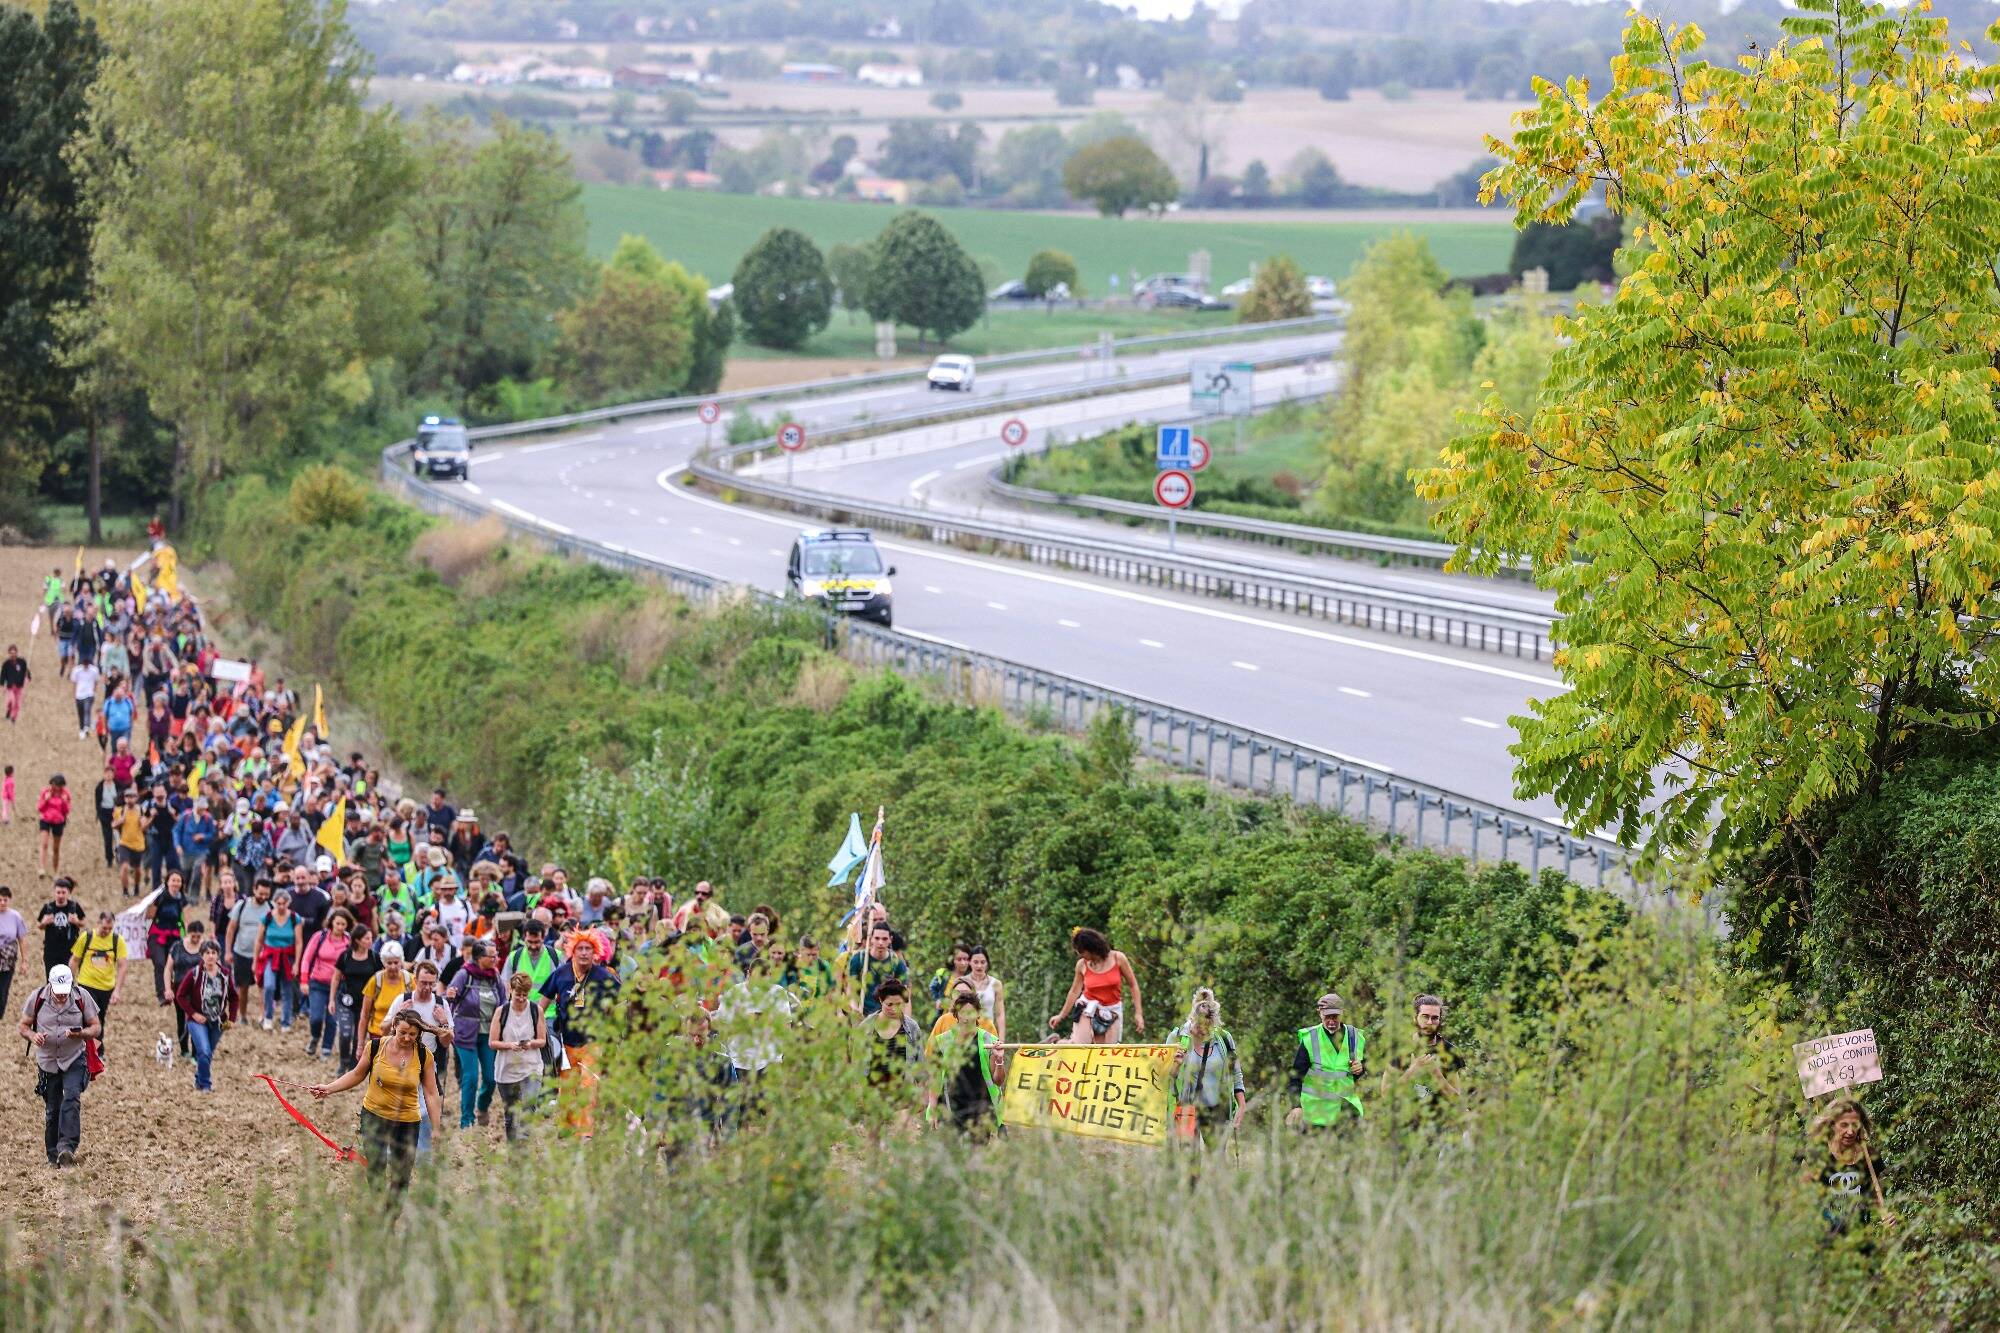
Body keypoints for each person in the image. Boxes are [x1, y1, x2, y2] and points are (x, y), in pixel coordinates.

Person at [308, 1008, 443, 1192]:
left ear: (418, 1034)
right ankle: (378, 1210)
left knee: (401, 1176)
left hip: (407, 1122)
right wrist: (329, 1088)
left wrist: (436, 1128)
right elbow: (357, 1074)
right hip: (374, 1117)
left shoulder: (423, 1055)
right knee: (376, 1166)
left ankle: (391, 1215)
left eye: (412, 1034)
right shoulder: (375, 1047)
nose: (406, 1038)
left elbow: (431, 1093)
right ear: (394, 1026)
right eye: (402, 1032)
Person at [538, 929, 619, 1137]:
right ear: (572, 951)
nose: (584, 953)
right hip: (567, 1041)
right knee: (567, 1086)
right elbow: (542, 1003)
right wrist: (538, 1028)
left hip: (593, 1041)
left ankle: (585, 1132)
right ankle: (566, 1129)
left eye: (588, 949)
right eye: (580, 948)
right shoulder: (561, 974)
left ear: (595, 953)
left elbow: (622, 1001)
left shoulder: (603, 976)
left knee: (588, 1086)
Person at [20, 964, 101, 1167]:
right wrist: (33, 1035)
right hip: (47, 1061)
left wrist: (80, 1033)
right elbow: (23, 1025)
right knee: (52, 1108)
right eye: (58, 993)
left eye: (65, 993)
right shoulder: (37, 997)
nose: (62, 997)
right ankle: (52, 1155)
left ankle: (67, 1148)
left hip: (74, 1057)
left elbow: (96, 1027)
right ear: (50, 985)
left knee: (72, 1097)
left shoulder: (82, 997)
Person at [384, 959, 452, 1159]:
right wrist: (397, 1014)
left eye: (431, 984)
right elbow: (383, 1028)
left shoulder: (440, 1004)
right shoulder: (403, 1000)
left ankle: (424, 1156)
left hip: (427, 1063)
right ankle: (392, 1151)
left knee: (424, 1109)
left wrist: (444, 1022)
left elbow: (448, 1041)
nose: (427, 988)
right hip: (399, 1063)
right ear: (415, 980)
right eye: (423, 982)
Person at [1168, 988, 1246, 1151]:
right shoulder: (1178, 1039)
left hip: (1218, 1110)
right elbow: (1164, 1079)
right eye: (1199, 1023)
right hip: (1187, 1108)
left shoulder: (1224, 1038)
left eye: (1208, 1024)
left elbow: (1236, 1073)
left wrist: (1241, 1106)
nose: (1203, 1029)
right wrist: (1176, 1065)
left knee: (1217, 1161)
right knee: (1189, 1162)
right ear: (1193, 1018)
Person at [1808, 1098, 1896, 1235]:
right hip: (1822, 1242)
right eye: (1844, 1125)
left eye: (1855, 1125)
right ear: (1832, 1124)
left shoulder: (1869, 1157)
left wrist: (1885, 1217)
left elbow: (1875, 1197)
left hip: (1858, 1241)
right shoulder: (1817, 1156)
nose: (1850, 1131)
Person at [926, 989, 1005, 1137]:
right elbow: (934, 1079)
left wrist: (999, 1060)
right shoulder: (943, 1041)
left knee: (977, 1155)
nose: (967, 1018)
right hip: (950, 1107)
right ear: (956, 1014)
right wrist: (933, 1111)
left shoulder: (990, 1041)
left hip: (981, 1108)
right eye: (963, 1013)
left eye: (971, 1013)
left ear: (978, 1014)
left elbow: (998, 1081)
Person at [444, 939, 504, 1128]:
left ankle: (482, 1106)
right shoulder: (464, 975)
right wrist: (449, 999)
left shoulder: (495, 977)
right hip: (465, 1033)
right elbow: (450, 998)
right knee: (470, 1077)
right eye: (491, 956)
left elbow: (502, 1004)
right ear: (479, 958)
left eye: (496, 955)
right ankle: (467, 1120)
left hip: (488, 1033)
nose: (495, 959)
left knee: (490, 1077)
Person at [1286, 993, 1367, 1130]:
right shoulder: (1310, 1039)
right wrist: (1296, 1106)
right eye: (1327, 1017)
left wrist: (1361, 1068)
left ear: (1343, 1014)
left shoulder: (1356, 1037)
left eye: (1335, 1017)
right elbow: (1295, 1077)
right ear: (1319, 1013)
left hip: (1345, 1110)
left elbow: (1361, 1069)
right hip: (1315, 1114)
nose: (1331, 1021)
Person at [1049, 928, 1143, 1044]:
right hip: (1087, 1008)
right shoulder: (1082, 965)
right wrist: (1061, 1015)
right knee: (1080, 1046)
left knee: (1105, 1052)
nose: (1080, 955)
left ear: (1091, 949)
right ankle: (1056, 1043)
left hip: (1112, 1011)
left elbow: (1133, 985)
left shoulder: (1118, 958)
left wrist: (1138, 1013)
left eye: (1082, 952)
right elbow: (1074, 991)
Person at [489, 971, 546, 1142]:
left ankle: (523, 1144)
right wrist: (509, 1046)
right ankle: (513, 1152)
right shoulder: (501, 1012)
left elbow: (542, 1040)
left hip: (531, 1066)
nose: (521, 998)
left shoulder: (536, 1010)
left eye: (525, 995)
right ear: (510, 991)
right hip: (507, 1068)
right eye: (517, 994)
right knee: (511, 1115)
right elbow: (492, 1042)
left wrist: (530, 1043)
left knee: (529, 1105)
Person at [173, 940, 236, 1092]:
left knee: (207, 1055)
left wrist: (232, 1019)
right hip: (197, 1021)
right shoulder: (194, 974)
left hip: (218, 1021)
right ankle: (206, 1085)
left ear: (218, 955)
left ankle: (199, 1080)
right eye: (207, 953)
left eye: (213, 953)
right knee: (204, 1051)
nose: (210, 956)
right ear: (201, 955)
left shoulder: (225, 975)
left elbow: (234, 997)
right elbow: (180, 995)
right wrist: (193, 1014)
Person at [1389, 994, 1463, 1121]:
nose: (1430, 1022)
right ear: (1415, 1018)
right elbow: (1386, 1095)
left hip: (1442, 1128)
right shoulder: (1399, 1049)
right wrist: (1412, 1070)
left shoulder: (1450, 1051)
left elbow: (1457, 1099)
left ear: (1440, 1021)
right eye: (1425, 1017)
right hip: (1405, 1129)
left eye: (1435, 1018)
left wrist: (1436, 1074)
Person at [297, 908, 351, 1060]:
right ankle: (315, 1037)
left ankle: (326, 1047)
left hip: (339, 986)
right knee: (316, 1017)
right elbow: (307, 958)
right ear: (331, 922)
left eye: (343, 924)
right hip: (318, 983)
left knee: (332, 1019)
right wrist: (303, 980)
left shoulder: (349, 942)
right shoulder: (319, 937)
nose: (340, 927)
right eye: (337, 923)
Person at [69, 910, 129, 1036]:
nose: (106, 931)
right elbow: (74, 960)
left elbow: (123, 966)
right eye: (104, 928)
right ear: (98, 923)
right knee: (88, 1018)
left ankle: (97, 1051)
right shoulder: (86, 937)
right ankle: (83, 1049)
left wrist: (117, 990)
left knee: (99, 1020)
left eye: (110, 928)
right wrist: (70, 982)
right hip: (86, 985)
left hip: (106, 987)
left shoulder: (117, 941)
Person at [334, 925, 382, 1073]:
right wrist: (331, 999)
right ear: (357, 940)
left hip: (366, 1003)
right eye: (367, 938)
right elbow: (335, 978)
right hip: (346, 1001)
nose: (370, 941)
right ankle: (343, 1062)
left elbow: (380, 980)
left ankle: (354, 1065)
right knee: (345, 1032)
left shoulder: (375, 957)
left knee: (358, 1035)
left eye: (371, 938)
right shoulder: (345, 956)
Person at [224, 877, 272, 1023]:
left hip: (263, 954)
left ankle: (264, 1016)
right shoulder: (242, 905)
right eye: (260, 894)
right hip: (241, 953)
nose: (263, 897)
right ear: (254, 890)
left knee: (263, 987)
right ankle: (242, 1015)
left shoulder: (271, 907)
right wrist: (228, 951)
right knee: (242, 988)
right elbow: (231, 929)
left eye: (266, 894)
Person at [256, 889, 301, 1032]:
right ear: (274, 903)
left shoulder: (295, 918)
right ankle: (268, 1016)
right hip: (270, 956)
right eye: (278, 903)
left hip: (288, 956)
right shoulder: (267, 917)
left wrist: (297, 963)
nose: (281, 906)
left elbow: (299, 942)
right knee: (268, 986)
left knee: (287, 990)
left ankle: (285, 1021)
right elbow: (259, 940)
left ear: (288, 903)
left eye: (284, 903)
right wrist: (255, 960)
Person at [845, 922, 911, 1018]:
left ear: (890, 940)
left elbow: (905, 995)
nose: (880, 942)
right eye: (877, 938)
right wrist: (855, 1010)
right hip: (863, 1014)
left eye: (884, 939)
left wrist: (906, 1021)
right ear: (871, 938)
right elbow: (851, 989)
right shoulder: (858, 959)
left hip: (887, 1016)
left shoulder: (897, 963)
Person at [163, 919, 208, 1056]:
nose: (195, 939)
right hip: (180, 990)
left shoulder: (206, 949)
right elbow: (168, 969)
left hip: (197, 991)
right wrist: (168, 988)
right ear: (188, 934)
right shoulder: (177, 946)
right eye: (193, 936)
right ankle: (184, 1050)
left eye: (198, 937)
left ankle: (196, 1052)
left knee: (195, 1020)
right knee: (181, 1019)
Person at [143, 869, 189, 1003]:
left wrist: (186, 937)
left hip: (174, 936)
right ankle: (162, 994)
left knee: (176, 964)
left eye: (178, 881)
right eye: (173, 880)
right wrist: (151, 903)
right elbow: (149, 916)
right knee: (160, 963)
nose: (176, 883)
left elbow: (186, 919)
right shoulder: (160, 897)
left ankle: (175, 991)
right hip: (157, 934)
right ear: (167, 882)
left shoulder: (182, 899)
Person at [37, 877, 86, 978]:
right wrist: (44, 923)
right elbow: (39, 925)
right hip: (51, 951)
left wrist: (77, 922)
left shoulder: (74, 906)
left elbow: (83, 922)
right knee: (51, 980)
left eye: (63, 892)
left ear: (68, 892)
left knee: (68, 981)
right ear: (54, 892)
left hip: (70, 951)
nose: (61, 895)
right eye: (58, 892)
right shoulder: (48, 907)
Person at [501, 917, 559, 995]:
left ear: (543, 938)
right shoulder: (513, 957)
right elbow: (505, 987)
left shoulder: (557, 957)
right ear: (524, 938)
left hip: (549, 1007)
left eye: (537, 942)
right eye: (530, 942)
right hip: (521, 1006)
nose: (533, 946)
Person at [966, 944, 1006, 1042]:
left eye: (982, 962)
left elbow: (1000, 1014)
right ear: (969, 962)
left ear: (987, 963)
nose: (979, 966)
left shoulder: (996, 984)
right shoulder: (962, 983)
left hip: (989, 1032)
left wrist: (1001, 1039)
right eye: (975, 962)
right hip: (966, 1033)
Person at [36, 773, 71, 879]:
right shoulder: (45, 792)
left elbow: (66, 811)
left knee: (56, 848)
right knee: (44, 844)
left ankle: (56, 871)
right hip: (45, 820)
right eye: (54, 785)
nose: (56, 788)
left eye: (58, 786)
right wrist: (46, 799)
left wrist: (64, 802)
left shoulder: (65, 794)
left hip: (58, 821)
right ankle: (42, 868)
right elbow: (39, 808)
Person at [113, 788, 147, 895]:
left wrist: (143, 822)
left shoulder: (142, 810)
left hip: (138, 844)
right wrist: (120, 820)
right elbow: (113, 825)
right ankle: (125, 891)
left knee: (137, 869)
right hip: (124, 843)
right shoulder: (120, 810)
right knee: (125, 867)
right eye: (127, 797)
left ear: (136, 798)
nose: (129, 799)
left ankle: (136, 888)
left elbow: (145, 827)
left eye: (132, 797)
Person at [0, 885, 26, 1018]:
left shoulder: (15, 916)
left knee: (2, 991)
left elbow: (22, 939)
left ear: (9, 900)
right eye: (0, 900)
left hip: (8, 960)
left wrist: (24, 961)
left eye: (5, 899)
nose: (2, 902)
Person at [69, 657, 101, 739]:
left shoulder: (94, 670)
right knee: (81, 713)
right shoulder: (76, 670)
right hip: (79, 694)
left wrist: (94, 691)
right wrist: (74, 694)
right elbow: (74, 682)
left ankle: (86, 726)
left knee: (87, 710)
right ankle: (82, 729)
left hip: (89, 693)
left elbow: (96, 681)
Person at [1, 644, 29, 723]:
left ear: (17, 653)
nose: (13, 654)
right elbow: (2, 676)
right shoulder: (6, 664)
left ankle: (13, 718)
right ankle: (9, 711)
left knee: (16, 703)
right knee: (11, 701)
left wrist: (27, 677)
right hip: (10, 687)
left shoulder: (22, 662)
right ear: (9, 653)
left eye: (14, 652)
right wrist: (2, 686)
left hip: (19, 687)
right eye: (11, 653)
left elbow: (26, 672)